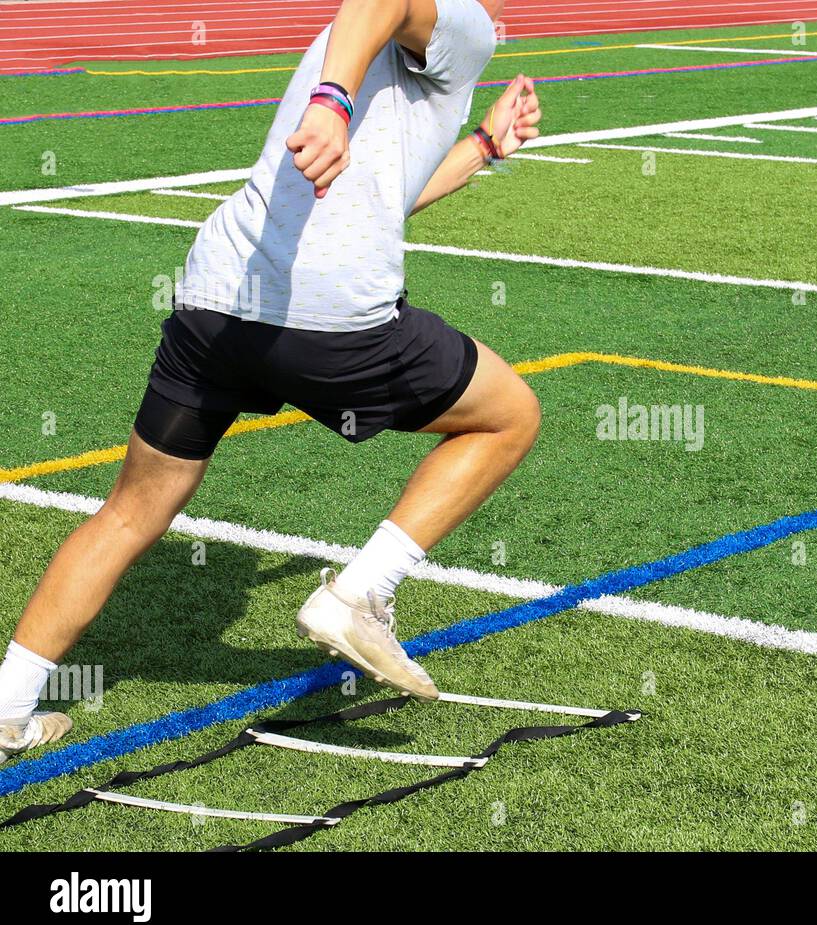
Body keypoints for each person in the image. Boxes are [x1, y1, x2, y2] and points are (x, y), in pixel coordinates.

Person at [0, 0, 543, 763]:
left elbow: (386, 197)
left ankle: (6, 707)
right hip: (330, 315)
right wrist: (331, 104)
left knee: (128, 513)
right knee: (509, 415)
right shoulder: (466, 25)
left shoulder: (372, 44)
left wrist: (483, 146)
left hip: (218, 296)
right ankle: (360, 592)